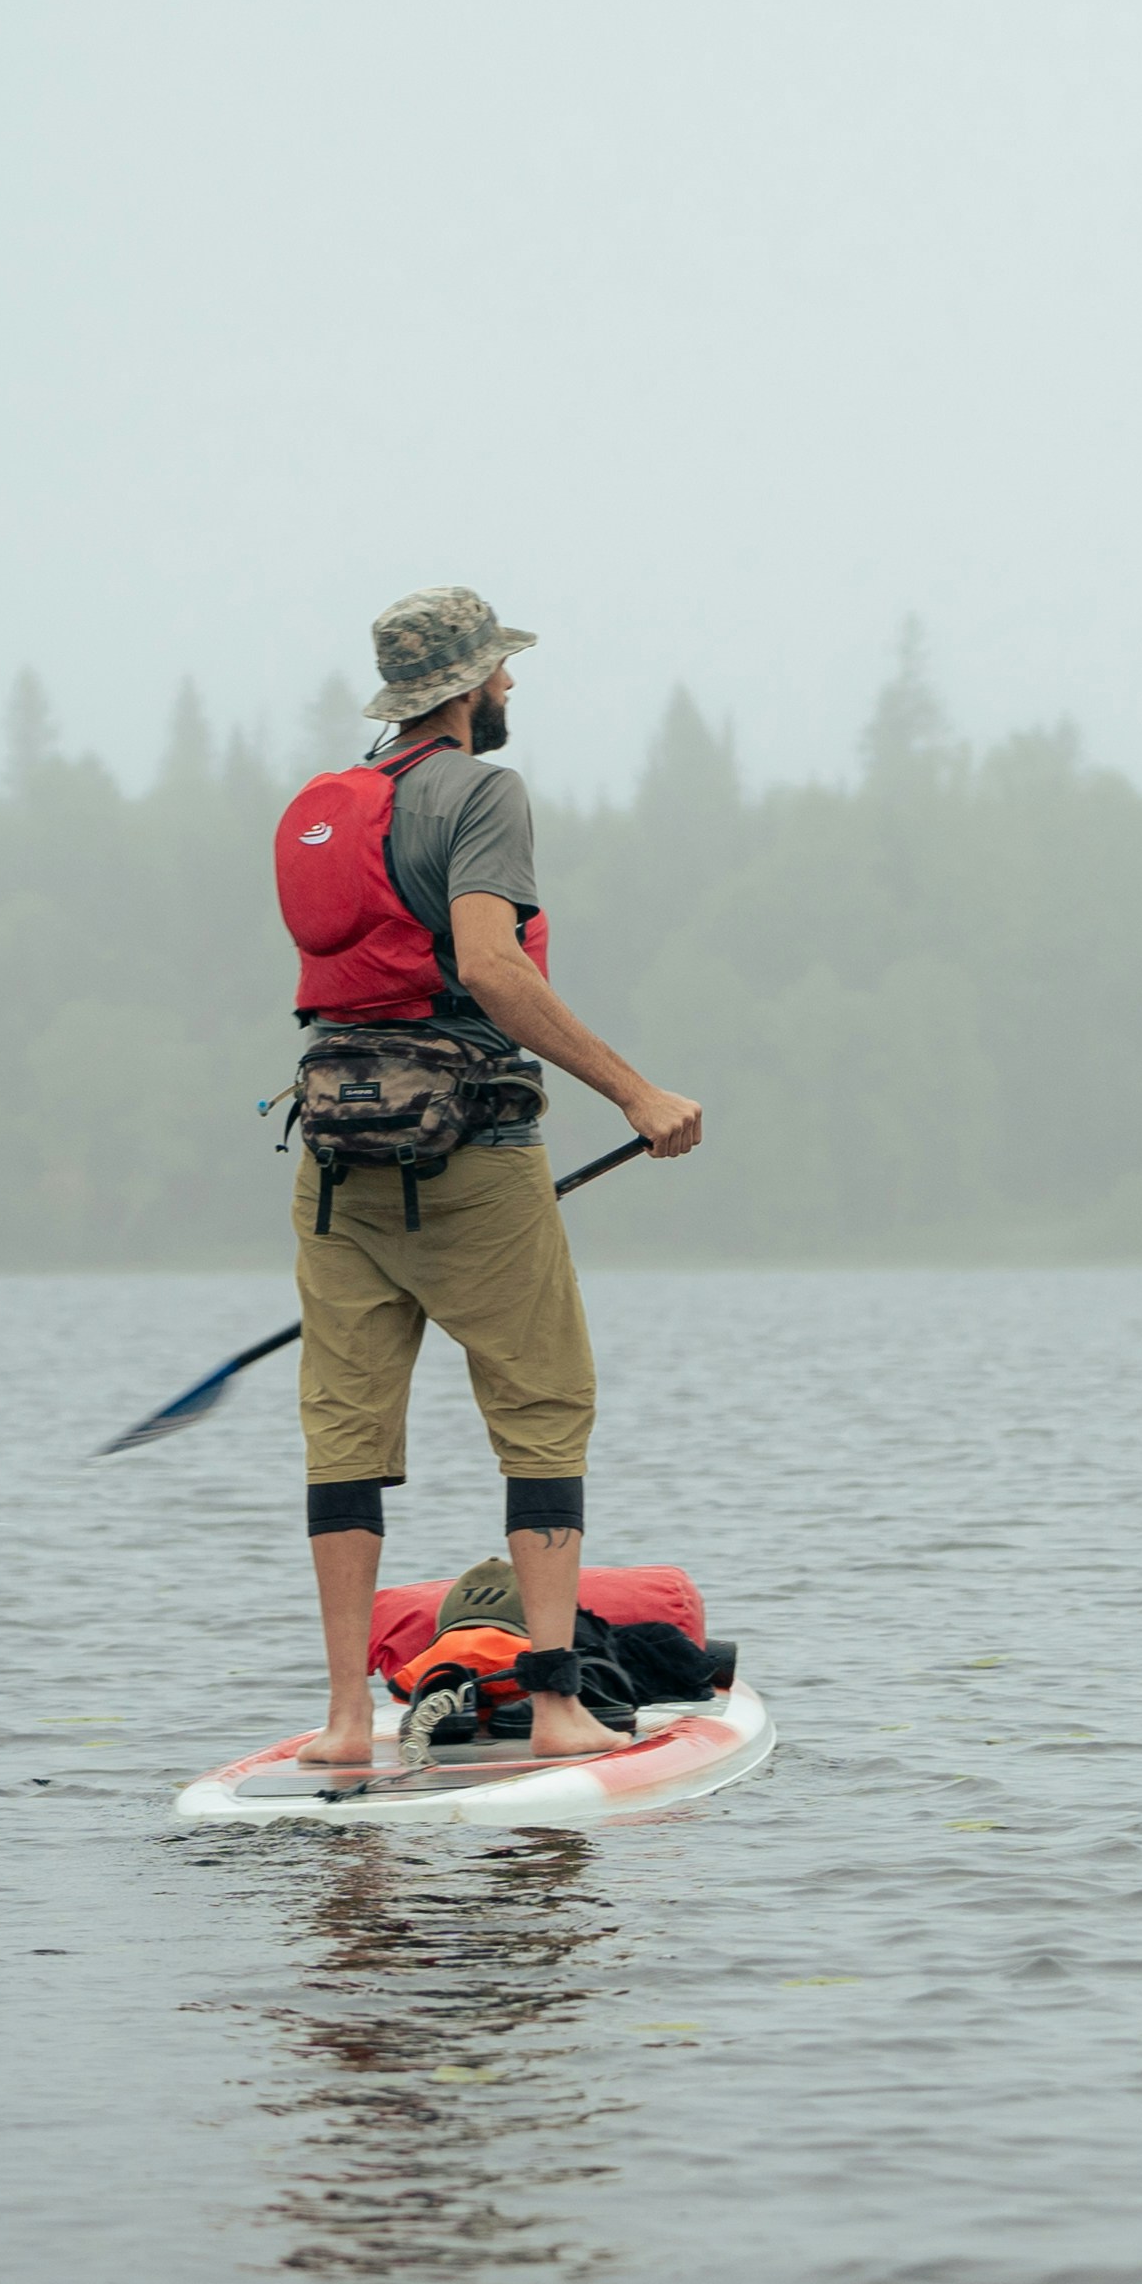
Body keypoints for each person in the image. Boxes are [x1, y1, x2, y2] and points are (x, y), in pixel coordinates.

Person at [281, 587, 704, 1766]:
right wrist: (635, 1093)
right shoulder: (483, 793)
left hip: (332, 1157)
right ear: (464, 690)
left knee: (342, 1431)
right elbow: (489, 968)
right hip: (470, 1149)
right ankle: (559, 1703)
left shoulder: (337, 809)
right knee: (543, 1407)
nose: (510, 689)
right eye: (500, 673)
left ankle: (346, 1721)